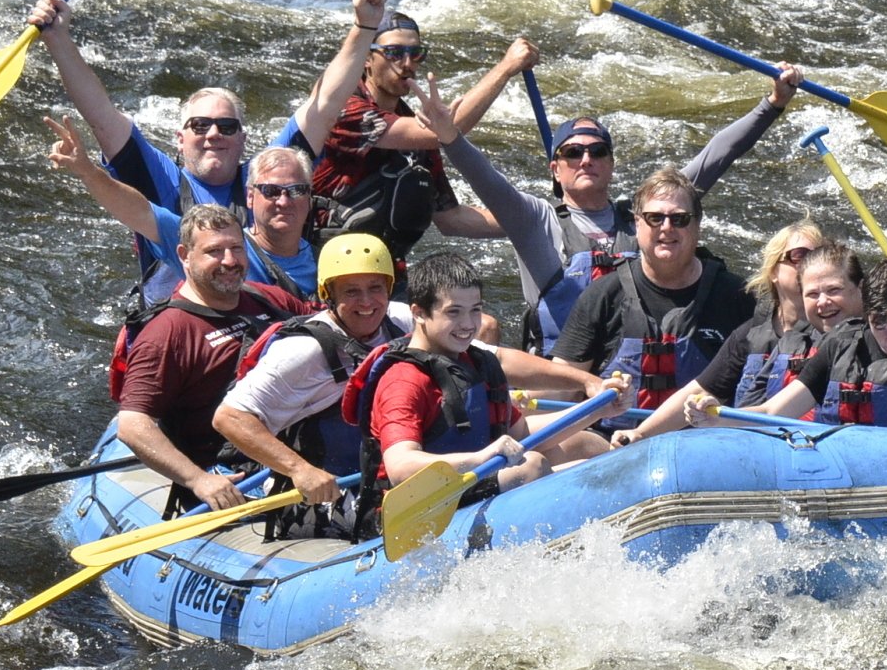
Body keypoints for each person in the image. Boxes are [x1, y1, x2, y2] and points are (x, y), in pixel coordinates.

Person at [405, 59, 802, 356]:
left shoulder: (648, 214)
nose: (585, 159)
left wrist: (773, 103)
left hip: (635, 373)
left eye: (597, 151)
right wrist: (450, 138)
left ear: (611, 163)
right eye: (572, 152)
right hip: (565, 375)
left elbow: (715, 157)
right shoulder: (535, 219)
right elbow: (487, 181)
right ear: (555, 168)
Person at [28, 0, 383, 301]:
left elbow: (323, 106)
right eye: (200, 125)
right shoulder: (159, 179)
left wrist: (364, 26)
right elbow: (102, 117)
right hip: (189, 327)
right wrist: (58, 39)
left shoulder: (268, 182)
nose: (214, 134)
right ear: (180, 139)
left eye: (227, 127)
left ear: (243, 138)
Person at [343, 253, 610, 511]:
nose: (468, 324)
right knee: (531, 466)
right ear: (419, 313)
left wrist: (598, 408)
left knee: (589, 443)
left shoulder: (475, 362)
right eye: (454, 312)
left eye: (475, 310)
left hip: (469, 482)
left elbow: (521, 433)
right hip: (417, 509)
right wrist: (480, 458)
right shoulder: (403, 382)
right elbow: (400, 467)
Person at [683, 257, 887, 458]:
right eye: (879, 325)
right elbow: (772, 411)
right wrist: (718, 418)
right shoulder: (842, 344)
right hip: (835, 469)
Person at [110, 204, 316, 516]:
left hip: (296, 448)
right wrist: (198, 480)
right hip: (234, 474)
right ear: (184, 255)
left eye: (236, 248)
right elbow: (132, 425)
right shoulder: (167, 333)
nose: (230, 261)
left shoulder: (268, 299)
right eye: (214, 252)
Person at [210, 233, 407, 538]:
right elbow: (228, 417)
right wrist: (299, 470)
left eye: (375, 288)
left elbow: (479, 340)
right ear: (328, 294)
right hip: (316, 490)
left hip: (374, 475)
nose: (367, 302)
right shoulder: (304, 351)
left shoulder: (400, 323)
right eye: (351, 291)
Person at [312, 10, 536, 263]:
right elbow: (444, 131)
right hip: (325, 266)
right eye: (394, 53)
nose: (407, 64)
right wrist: (505, 69)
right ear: (366, 58)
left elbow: (452, 220)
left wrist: (537, 219)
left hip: (384, 271)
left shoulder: (415, 132)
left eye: (415, 54)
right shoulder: (346, 109)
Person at [547, 168, 756, 414]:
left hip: (705, 442)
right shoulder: (603, 295)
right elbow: (561, 387)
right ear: (637, 224)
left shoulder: (738, 296)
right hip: (614, 445)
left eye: (679, 218)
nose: (666, 227)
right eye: (655, 218)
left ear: (697, 225)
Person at [611, 222, 835, 444]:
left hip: (812, 448)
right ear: (773, 270)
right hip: (754, 448)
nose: (811, 267)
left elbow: (772, 412)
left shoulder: (837, 335)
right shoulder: (748, 335)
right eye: (800, 256)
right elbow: (700, 389)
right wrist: (641, 434)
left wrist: (719, 418)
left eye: (818, 258)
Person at [46, 121, 321, 300]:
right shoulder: (215, 248)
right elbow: (139, 212)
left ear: (309, 198)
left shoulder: (326, 258)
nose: (284, 202)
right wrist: (87, 172)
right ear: (250, 197)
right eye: (271, 191)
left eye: (296, 191)